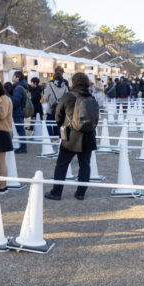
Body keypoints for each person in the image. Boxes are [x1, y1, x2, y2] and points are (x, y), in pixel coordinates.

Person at [45, 72, 99, 200]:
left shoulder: (67, 96)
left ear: (73, 82)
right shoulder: (91, 97)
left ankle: (56, 192)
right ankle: (80, 193)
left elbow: (58, 116)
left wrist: (63, 125)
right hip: (88, 136)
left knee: (62, 165)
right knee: (85, 165)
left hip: (70, 137)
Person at [43, 73, 68, 137]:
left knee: (48, 123)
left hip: (51, 109)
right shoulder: (65, 87)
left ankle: (51, 137)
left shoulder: (50, 85)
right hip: (61, 110)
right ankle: (58, 138)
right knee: (58, 124)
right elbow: (67, 98)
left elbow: (45, 98)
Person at [10, 72, 29, 153]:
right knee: (21, 129)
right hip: (20, 111)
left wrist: (10, 97)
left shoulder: (18, 88)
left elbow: (15, 102)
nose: (12, 77)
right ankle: (23, 146)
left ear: (17, 78)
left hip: (17, 112)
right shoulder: (22, 86)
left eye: (13, 76)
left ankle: (23, 147)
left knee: (20, 129)